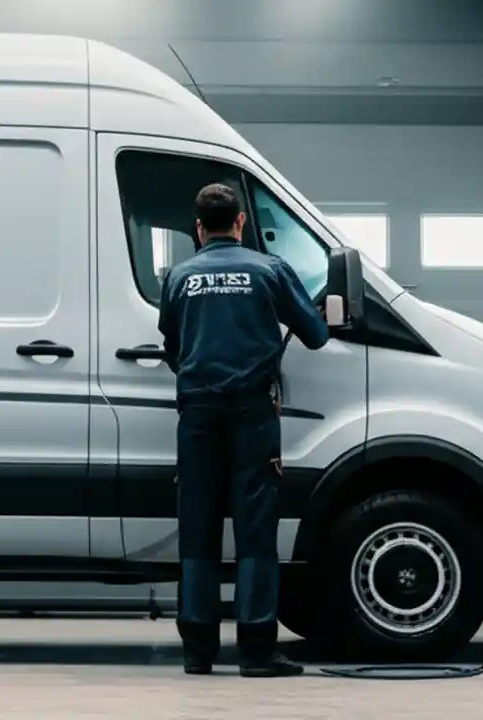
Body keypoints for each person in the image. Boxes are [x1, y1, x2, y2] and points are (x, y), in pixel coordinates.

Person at [157, 182, 329, 678]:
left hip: (197, 416)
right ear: (240, 223)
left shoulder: (178, 277)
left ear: (197, 228)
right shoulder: (269, 270)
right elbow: (316, 337)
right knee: (255, 531)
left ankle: (197, 651)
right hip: (253, 415)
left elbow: (173, 345)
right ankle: (255, 651)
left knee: (198, 528)